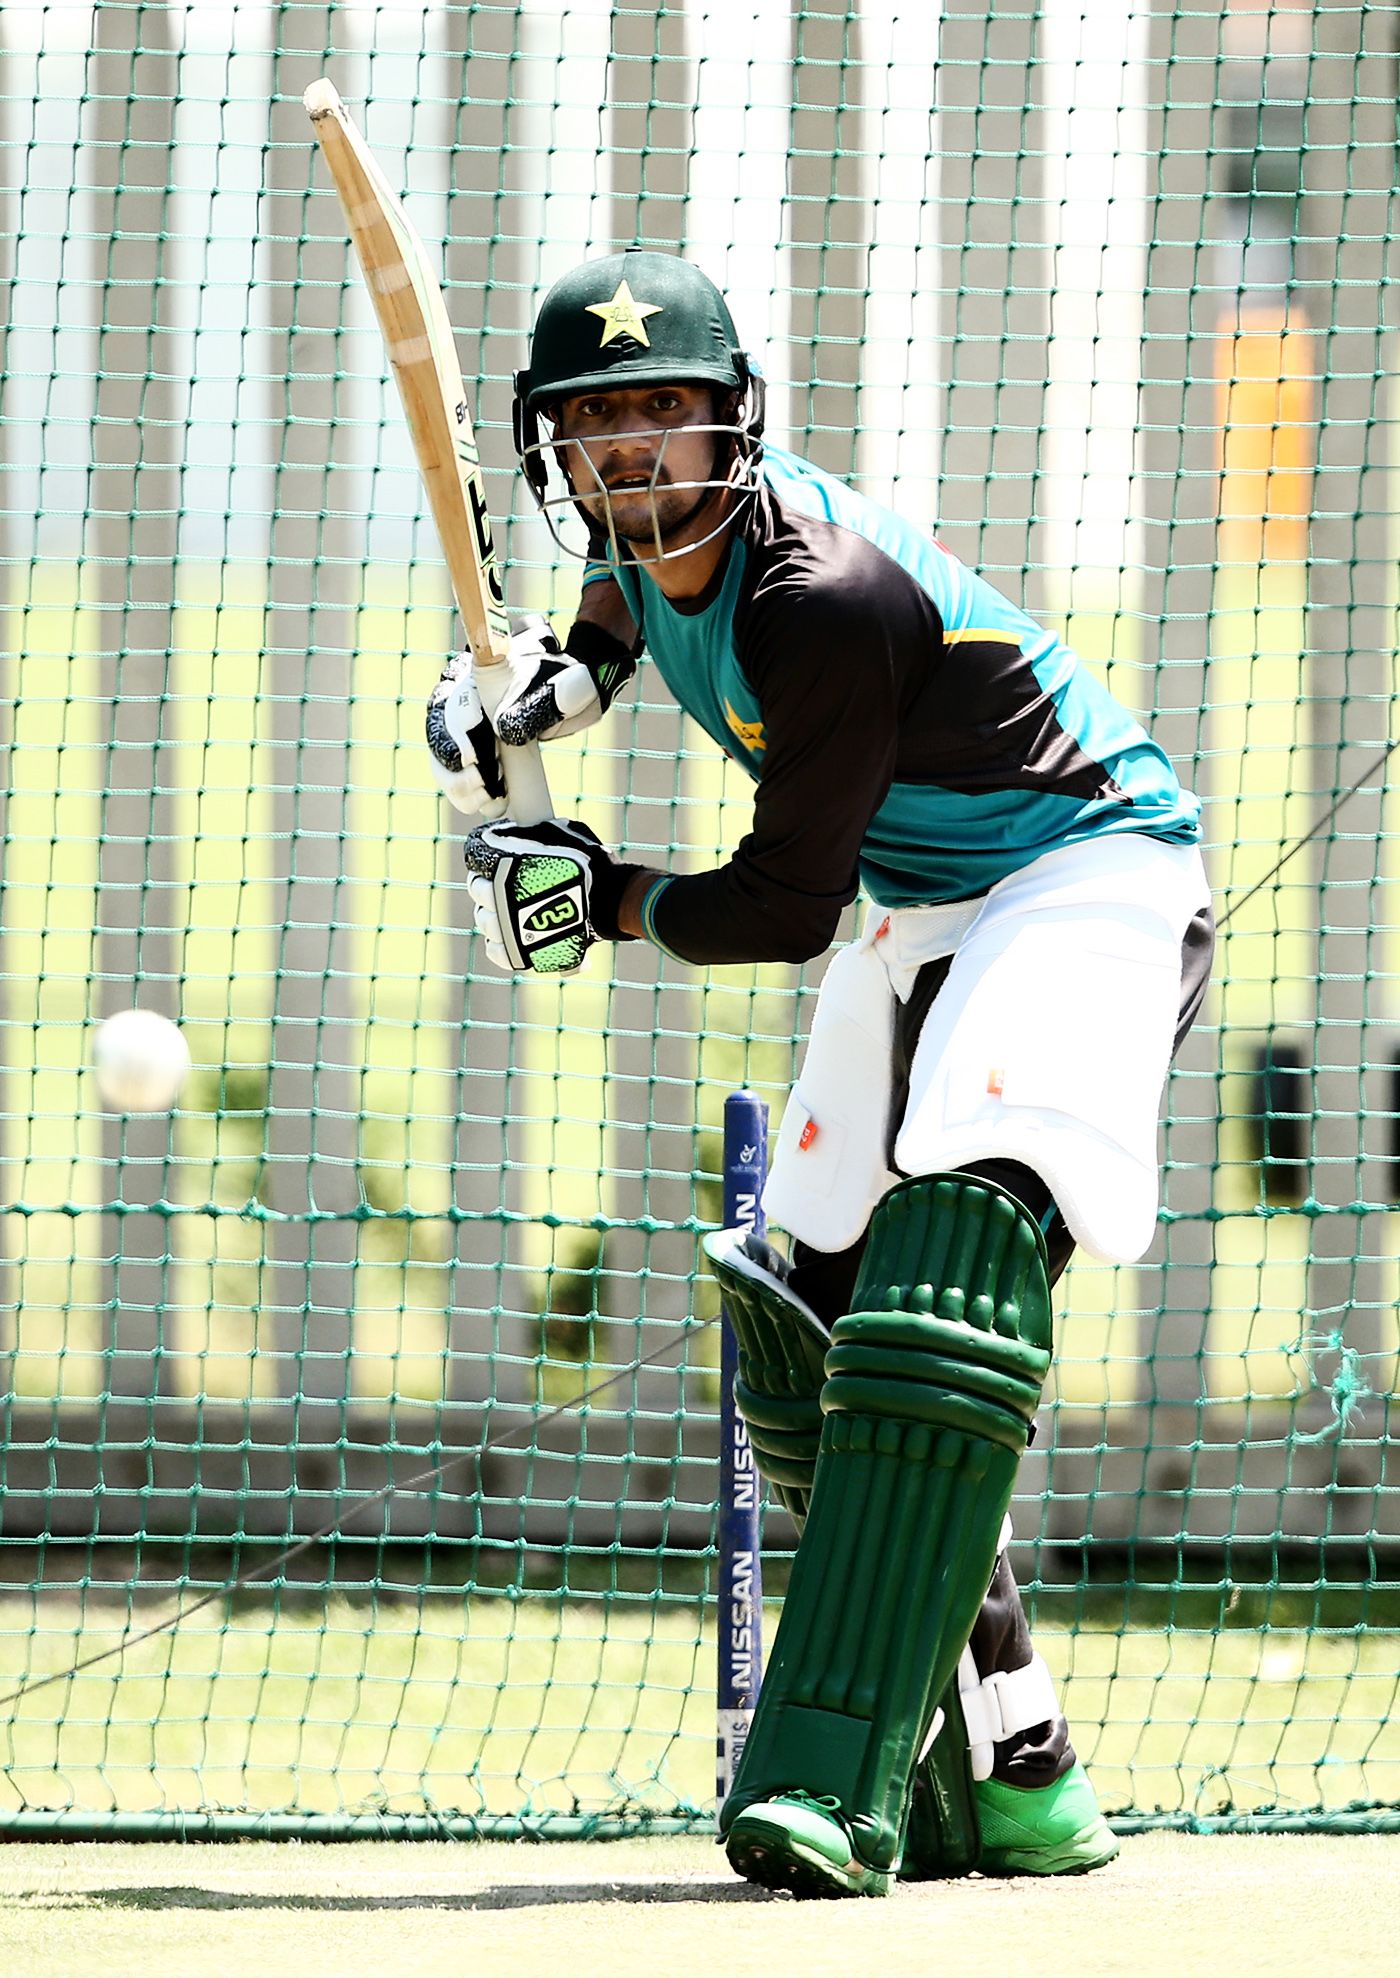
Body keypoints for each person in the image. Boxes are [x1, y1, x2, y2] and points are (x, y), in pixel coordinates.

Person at [425, 248, 1213, 1898]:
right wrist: (570, 676)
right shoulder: (644, 547)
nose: (632, 450)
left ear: (734, 421)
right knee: (819, 1308)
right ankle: (1020, 1772)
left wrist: (597, 891)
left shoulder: (824, 597)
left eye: (664, 414)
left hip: (1087, 873)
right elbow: (620, 597)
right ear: (555, 453)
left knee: (950, 1279)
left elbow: (783, 909)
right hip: (934, 905)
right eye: (594, 424)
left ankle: (833, 1774)